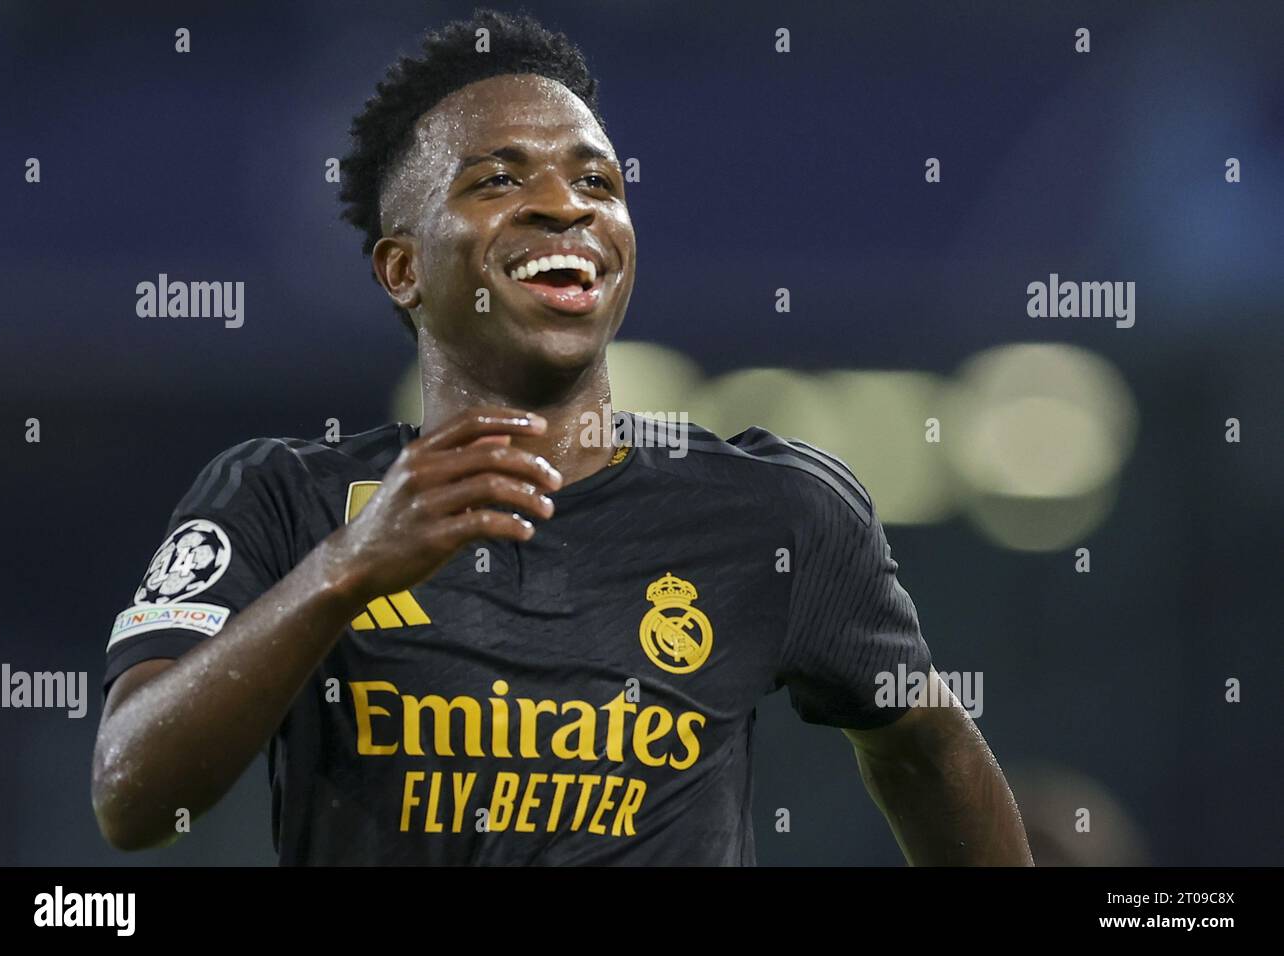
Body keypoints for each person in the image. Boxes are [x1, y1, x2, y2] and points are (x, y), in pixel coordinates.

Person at [92, 8, 1032, 866]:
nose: (565, 204)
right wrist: (346, 571)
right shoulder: (280, 500)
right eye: (498, 179)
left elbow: (928, 753)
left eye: (596, 181)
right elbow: (133, 800)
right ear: (402, 268)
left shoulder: (774, 511)